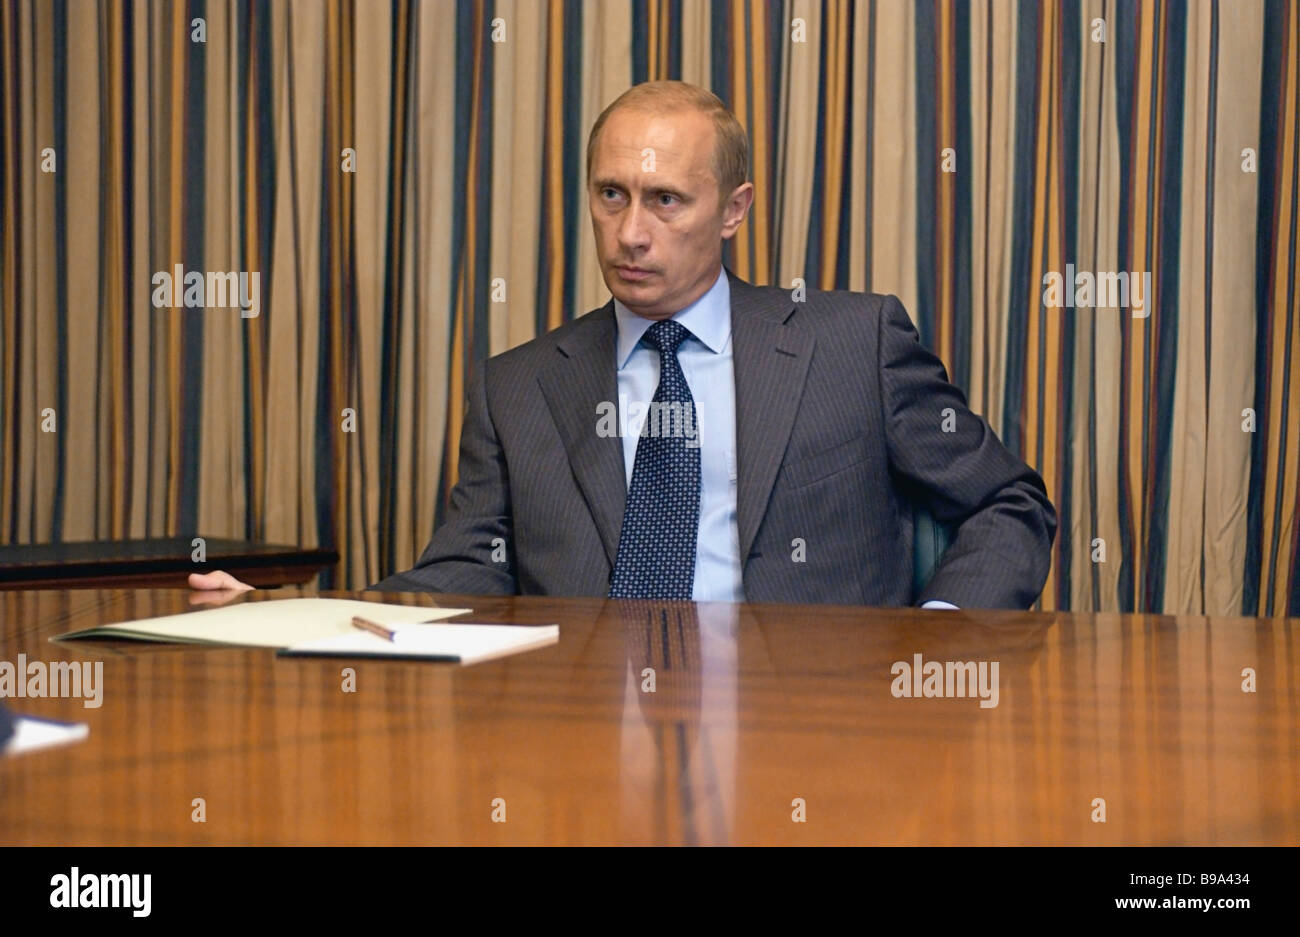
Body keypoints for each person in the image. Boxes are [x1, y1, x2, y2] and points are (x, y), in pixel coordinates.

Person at [192, 80, 1056, 609]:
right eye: (610, 194)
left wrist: (937, 641)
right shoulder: (519, 386)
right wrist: (294, 616)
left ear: (734, 209)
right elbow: (466, 571)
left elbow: (1010, 503)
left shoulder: (851, 345)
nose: (630, 232)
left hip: (814, 728)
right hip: (579, 739)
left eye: (665, 200)